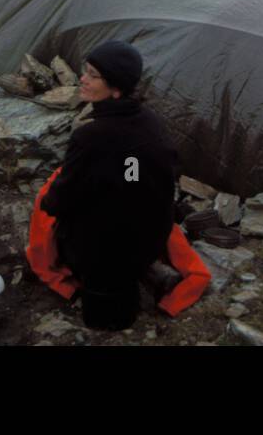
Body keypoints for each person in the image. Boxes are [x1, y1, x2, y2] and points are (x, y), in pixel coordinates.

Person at [38, 39, 178, 330]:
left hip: (101, 254)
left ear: (115, 89)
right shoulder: (151, 121)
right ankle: (145, 270)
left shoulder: (91, 138)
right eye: (85, 71)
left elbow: (59, 201)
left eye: (92, 75)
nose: (83, 78)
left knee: (51, 211)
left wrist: (47, 203)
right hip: (151, 240)